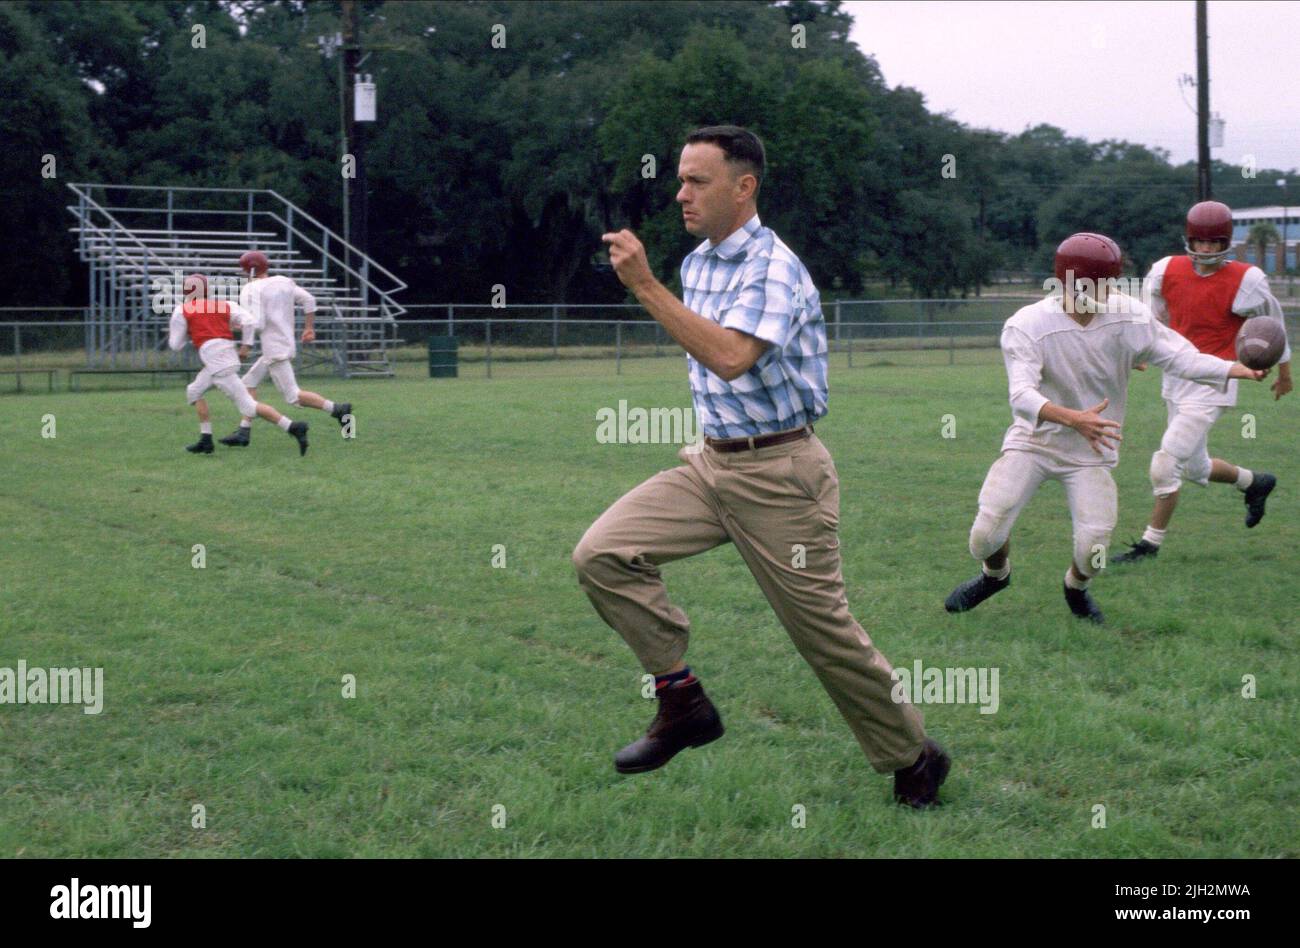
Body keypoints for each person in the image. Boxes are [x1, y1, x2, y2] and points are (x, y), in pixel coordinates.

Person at [572, 125, 949, 809]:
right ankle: (682, 702)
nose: (680, 192)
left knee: (825, 638)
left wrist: (645, 286)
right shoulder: (699, 263)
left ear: (743, 187)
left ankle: (915, 756)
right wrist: (664, 286)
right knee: (602, 553)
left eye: (696, 181)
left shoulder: (774, 268)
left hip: (782, 476)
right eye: (680, 179)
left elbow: (731, 356)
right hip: (710, 465)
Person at [943, 233, 1268, 624]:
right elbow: (1021, 397)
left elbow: (1183, 358)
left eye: (1109, 281)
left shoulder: (1128, 317)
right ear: (1069, 281)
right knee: (985, 534)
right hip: (1034, 444)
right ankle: (995, 576)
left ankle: (1075, 589)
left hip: (1090, 452)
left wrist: (1236, 369)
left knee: (1093, 549)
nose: (1107, 290)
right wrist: (1074, 418)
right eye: (1098, 281)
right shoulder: (1027, 324)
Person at [1112, 201, 1292, 563]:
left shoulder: (1247, 279)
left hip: (1217, 379)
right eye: (1200, 242)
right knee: (1195, 467)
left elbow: (1274, 325)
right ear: (1189, 240)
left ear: (1226, 241)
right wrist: (1138, 353)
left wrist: (1284, 372)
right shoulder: (1166, 271)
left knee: (1165, 463)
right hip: (1177, 375)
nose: (1206, 249)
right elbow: (1152, 322)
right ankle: (1255, 483)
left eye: (1214, 242)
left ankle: (1149, 544)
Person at [217, 250, 351, 447]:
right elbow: (309, 301)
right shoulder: (283, 282)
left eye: (244, 270)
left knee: (293, 397)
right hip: (283, 342)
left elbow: (258, 324)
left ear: (251, 270)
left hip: (274, 348)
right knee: (248, 383)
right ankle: (244, 431)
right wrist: (308, 328)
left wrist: (237, 326)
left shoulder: (251, 289)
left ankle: (338, 409)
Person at [169, 273, 309, 456]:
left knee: (249, 406)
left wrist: (191, 330)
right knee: (194, 390)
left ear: (186, 291)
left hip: (215, 359)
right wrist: (246, 346)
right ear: (207, 289)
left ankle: (293, 427)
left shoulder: (182, 310)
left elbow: (175, 345)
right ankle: (206, 440)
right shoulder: (225, 304)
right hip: (228, 353)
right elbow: (249, 322)